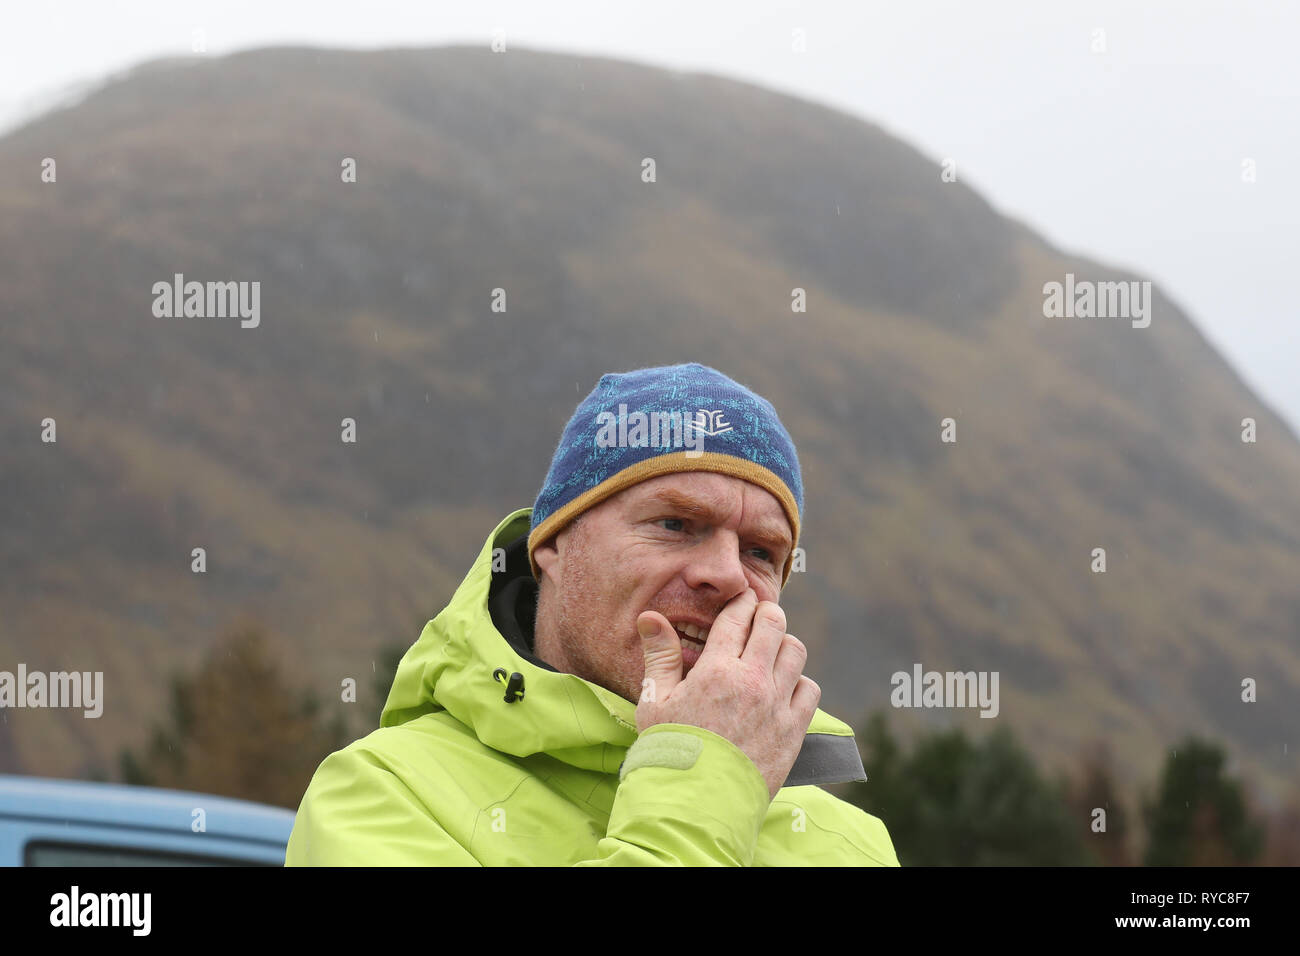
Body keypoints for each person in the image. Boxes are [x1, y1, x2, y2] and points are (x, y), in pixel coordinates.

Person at [286, 363, 899, 865]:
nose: (727, 573)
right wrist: (703, 779)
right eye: (675, 523)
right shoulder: (384, 793)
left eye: (762, 552)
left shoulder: (851, 845)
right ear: (553, 543)